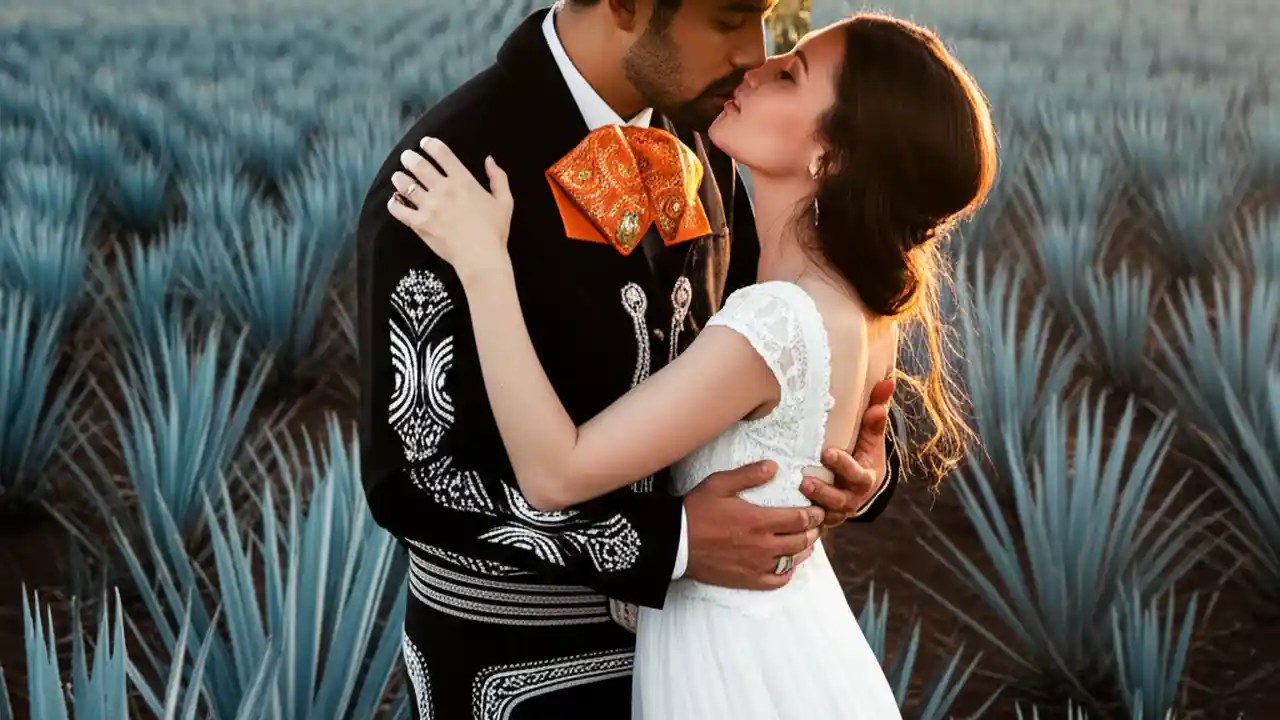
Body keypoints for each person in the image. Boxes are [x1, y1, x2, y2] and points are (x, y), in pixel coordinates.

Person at [384, 9, 996, 720]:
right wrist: (673, 543)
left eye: (778, 41)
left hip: (713, 665)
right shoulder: (454, 166)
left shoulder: (712, 141)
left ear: (831, 156)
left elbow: (772, 353)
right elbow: (414, 474)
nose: (751, 57)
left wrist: (842, 475)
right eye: (733, 19)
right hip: (520, 670)